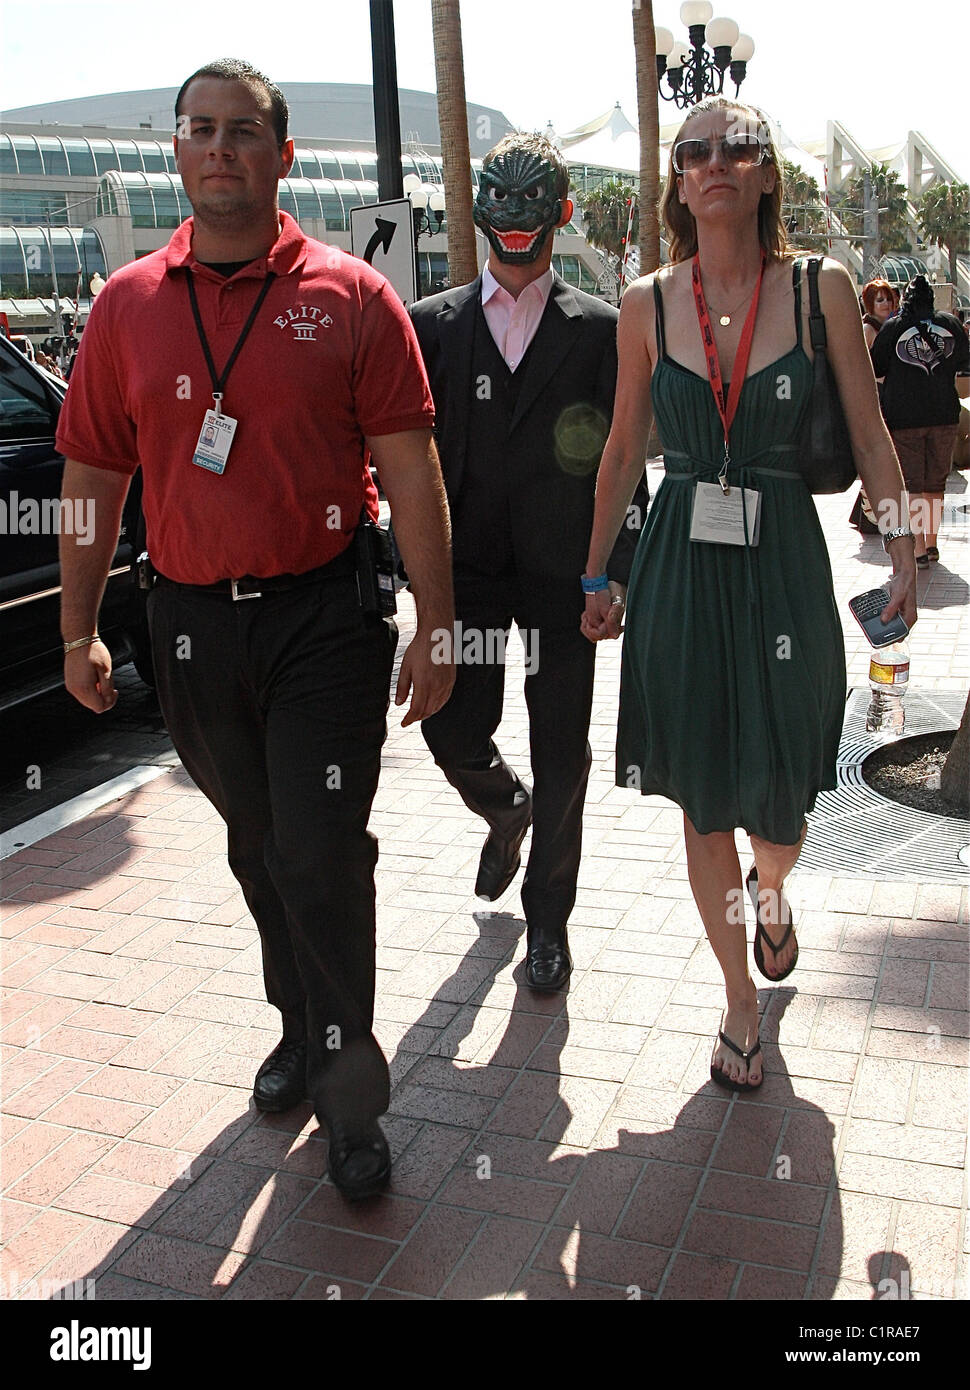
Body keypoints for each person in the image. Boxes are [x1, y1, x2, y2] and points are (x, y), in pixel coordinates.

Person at [55, 59, 454, 1200]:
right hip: (185, 625)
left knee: (320, 853)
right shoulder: (127, 303)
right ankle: (299, 1022)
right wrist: (79, 625)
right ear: (177, 154)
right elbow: (92, 471)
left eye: (243, 132)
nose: (220, 148)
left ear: (282, 158)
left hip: (324, 618)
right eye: (200, 130)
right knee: (257, 847)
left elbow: (410, 469)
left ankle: (346, 1086)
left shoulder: (350, 297)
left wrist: (437, 618)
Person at [582, 98, 917, 1091]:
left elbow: (869, 438)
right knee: (699, 800)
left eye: (738, 148)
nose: (715, 162)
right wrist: (596, 572)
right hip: (678, 566)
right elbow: (617, 452)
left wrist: (901, 556)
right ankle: (737, 1000)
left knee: (779, 806)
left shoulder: (820, 289)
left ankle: (773, 895)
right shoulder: (644, 302)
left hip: (782, 570)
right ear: (678, 180)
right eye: (695, 151)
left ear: (766, 173)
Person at [410, 132, 649, 993]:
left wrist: (614, 570)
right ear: (478, 212)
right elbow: (407, 463)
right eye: (499, 204)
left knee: (565, 752)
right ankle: (502, 809)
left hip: (563, 579)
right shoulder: (428, 326)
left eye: (532, 205)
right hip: (466, 577)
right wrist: (418, 587)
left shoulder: (600, 328)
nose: (514, 225)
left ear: (563, 213)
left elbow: (627, 460)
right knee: (449, 727)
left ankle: (549, 924)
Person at [872, 274, 970, 567]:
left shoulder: (893, 327)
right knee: (935, 483)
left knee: (912, 483)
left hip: (904, 417)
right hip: (944, 414)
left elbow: (876, 365)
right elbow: (965, 363)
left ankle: (917, 550)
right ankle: (932, 542)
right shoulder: (951, 325)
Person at [850, 279, 900, 533]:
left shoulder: (888, 327)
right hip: (876, 394)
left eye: (888, 299)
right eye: (879, 300)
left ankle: (868, 513)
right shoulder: (869, 329)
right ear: (869, 304)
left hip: (887, 393)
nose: (886, 304)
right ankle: (869, 515)